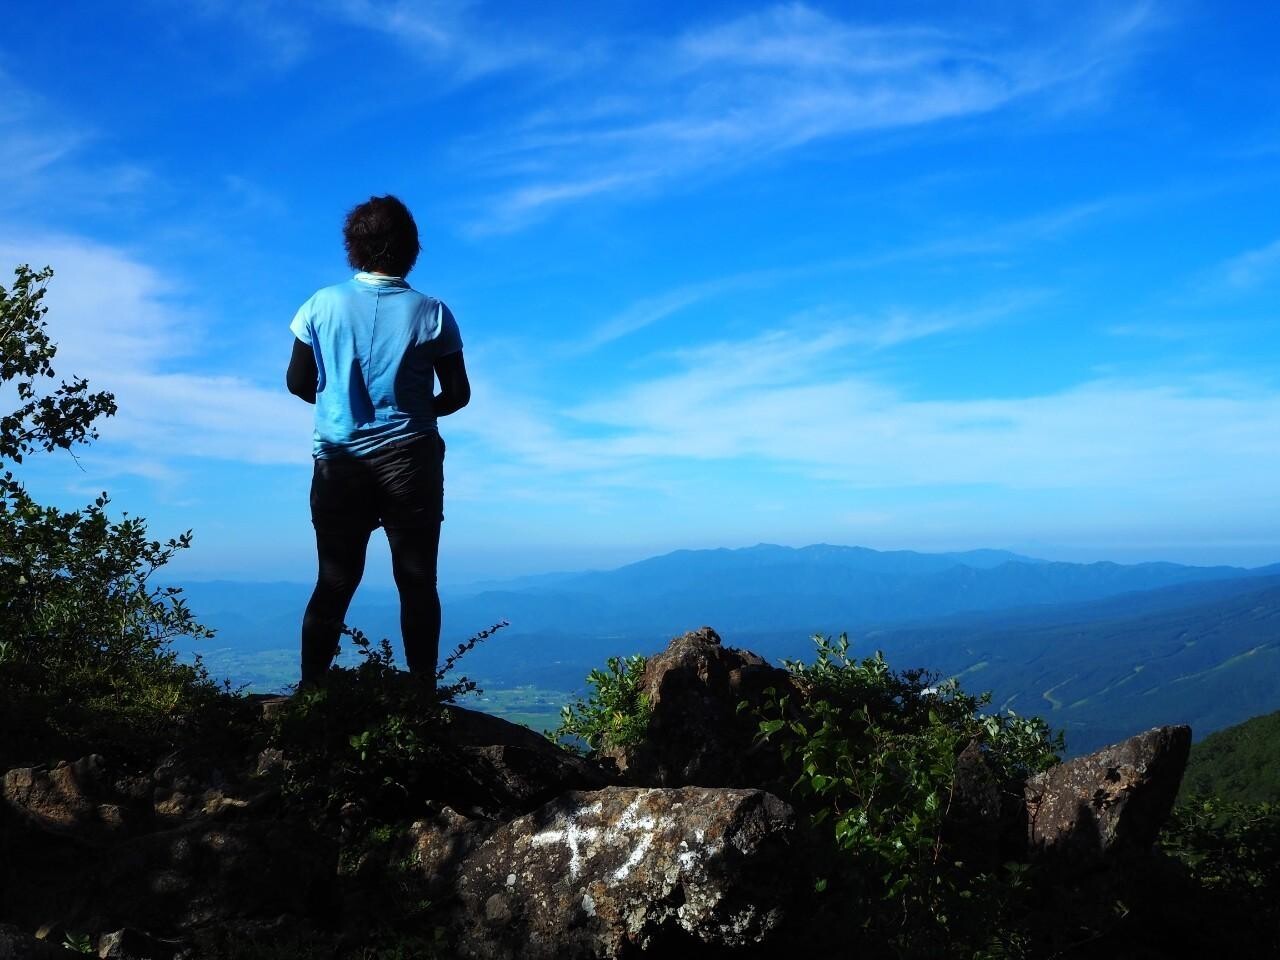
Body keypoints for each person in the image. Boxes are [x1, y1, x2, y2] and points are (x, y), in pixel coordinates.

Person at [286, 194, 470, 690]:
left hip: (338, 462)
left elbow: (298, 382)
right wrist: (413, 410)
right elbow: (458, 394)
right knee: (417, 580)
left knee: (334, 580)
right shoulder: (431, 312)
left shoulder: (319, 305)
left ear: (355, 245)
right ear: (411, 247)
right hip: (410, 460)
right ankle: (422, 693)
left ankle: (311, 691)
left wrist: (340, 405)